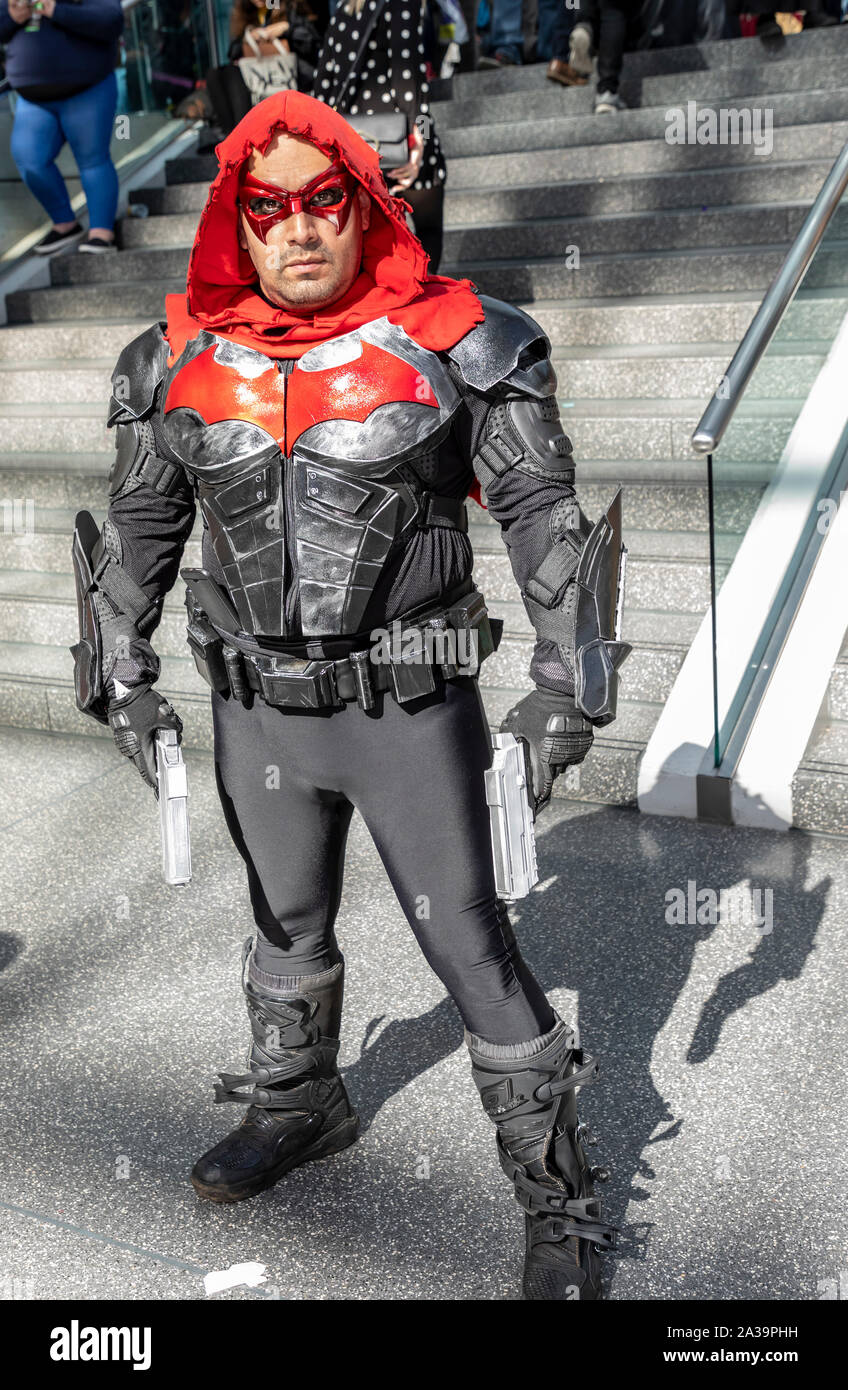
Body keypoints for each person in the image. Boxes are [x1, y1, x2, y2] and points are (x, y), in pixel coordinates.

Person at [70, 91, 629, 1301]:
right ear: (237, 219)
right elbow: (139, 534)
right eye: (267, 207)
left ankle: (561, 1205)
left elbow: (543, 517)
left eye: (324, 199)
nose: (299, 229)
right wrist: (117, 663)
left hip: (407, 712)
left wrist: (560, 683)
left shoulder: (463, 340)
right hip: (254, 707)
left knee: (470, 951)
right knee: (283, 923)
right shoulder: (172, 361)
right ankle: (299, 1102)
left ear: (365, 203)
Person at [312, 0, 447, 269]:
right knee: (428, 231)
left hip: (354, 142)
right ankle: (421, 300)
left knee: (372, 240)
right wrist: (422, 138)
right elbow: (408, 76)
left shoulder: (344, 11)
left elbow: (324, 84)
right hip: (400, 135)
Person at [0, 0, 124, 254]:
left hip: (88, 87)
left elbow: (111, 21)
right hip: (31, 95)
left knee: (93, 161)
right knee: (29, 159)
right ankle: (65, 224)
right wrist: (13, 16)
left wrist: (56, 10)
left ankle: (101, 232)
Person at [206, 0, 324, 135]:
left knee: (231, 76)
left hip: (291, 76)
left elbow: (313, 44)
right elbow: (233, 52)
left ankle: (241, 136)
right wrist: (248, 38)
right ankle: (233, 137)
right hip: (258, 77)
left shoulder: (291, 7)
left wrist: (286, 28)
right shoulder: (244, 14)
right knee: (216, 74)